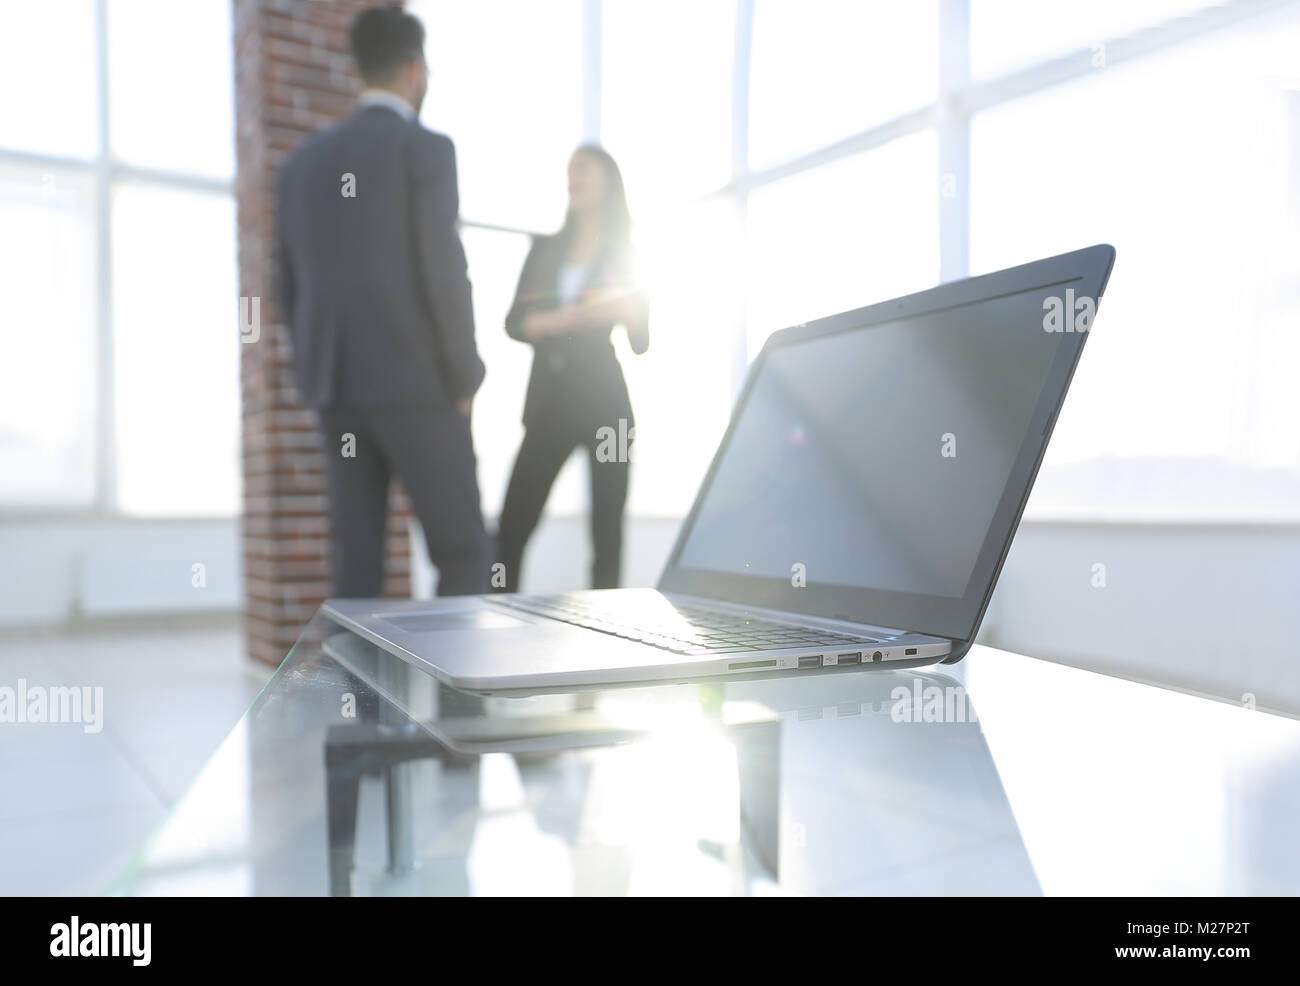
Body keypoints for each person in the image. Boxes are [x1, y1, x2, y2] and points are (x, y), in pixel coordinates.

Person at [275, 5, 490, 597]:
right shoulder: (426, 150)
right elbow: (443, 269)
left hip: (337, 388)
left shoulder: (299, 169)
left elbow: (285, 286)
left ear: (357, 70)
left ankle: (356, 695)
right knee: (465, 552)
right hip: (419, 384)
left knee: (356, 562)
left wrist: (315, 375)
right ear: (415, 70)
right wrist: (465, 374)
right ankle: (455, 693)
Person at [495, 146, 650, 593]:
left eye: (584, 168)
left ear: (608, 180)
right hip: (549, 402)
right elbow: (514, 323)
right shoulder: (546, 250)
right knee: (512, 526)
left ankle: (607, 639)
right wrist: (556, 321)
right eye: (570, 170)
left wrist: (627, 308)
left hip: (607, 405)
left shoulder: (626, 253)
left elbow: (641, 343)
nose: (574, 177)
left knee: (607, 532)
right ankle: (496, 621)